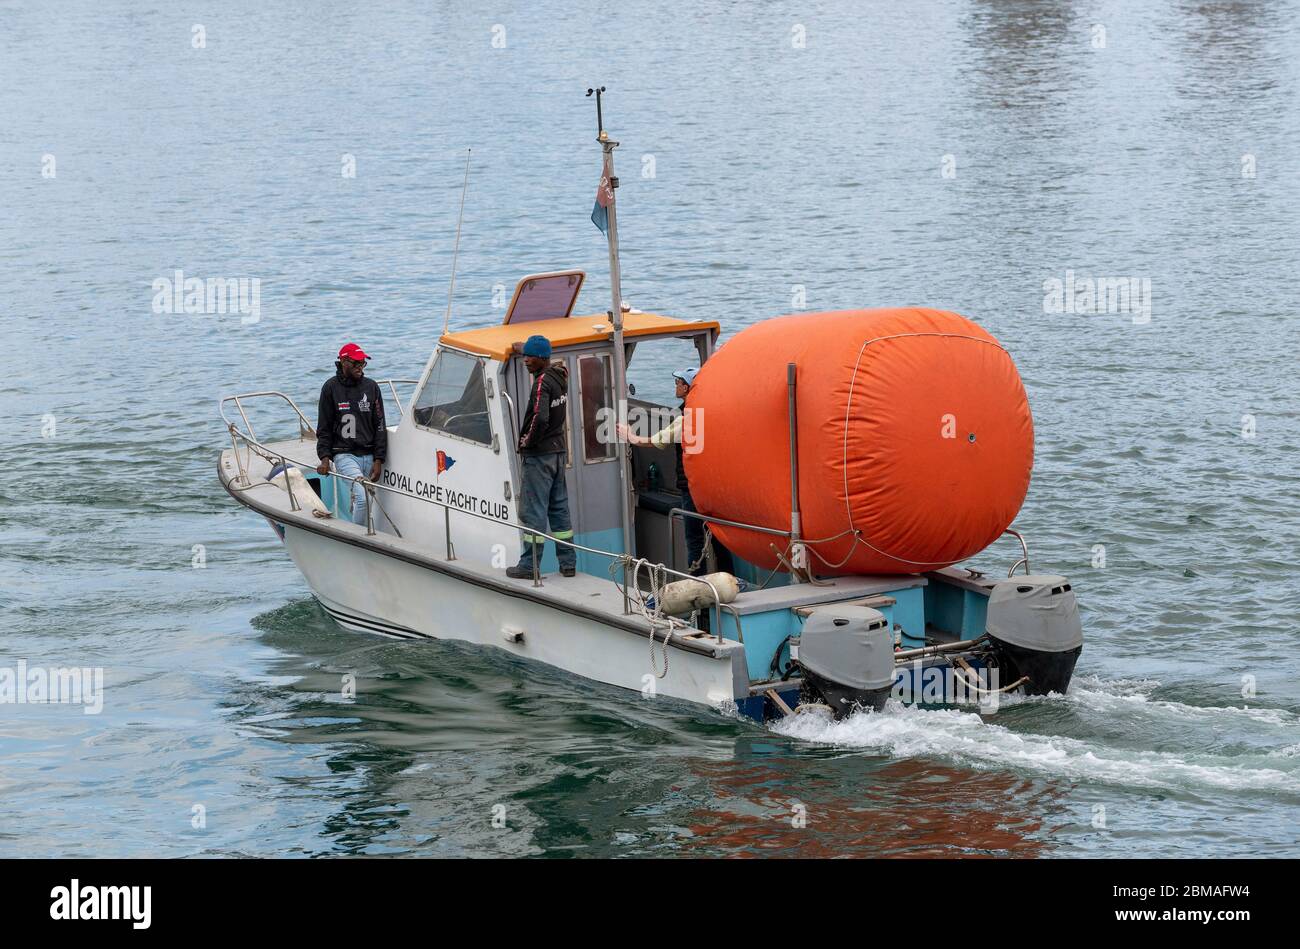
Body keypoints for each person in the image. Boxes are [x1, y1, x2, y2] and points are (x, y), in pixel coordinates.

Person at [618, 368, 734, 576]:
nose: (676, 385)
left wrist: (631, 436)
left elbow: (658, 440)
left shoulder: (687, 417)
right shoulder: (711, 412)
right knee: (717, 536)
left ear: (687, 387)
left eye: (679, 382)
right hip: (713, 485)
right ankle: (731, 579)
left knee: (695, 539)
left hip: (692, 487)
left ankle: (700, 588)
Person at [505, 335, 577, 579]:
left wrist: (527, 441)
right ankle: (568, 563)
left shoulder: (541, 384)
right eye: (524, 356)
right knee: (559, 509)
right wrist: (521, 347)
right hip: (557, 452)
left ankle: (529, 565)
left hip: (540, 455)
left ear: (542, 359)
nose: (525, 360)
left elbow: (540, 417)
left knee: (532, 511)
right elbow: (538, 361)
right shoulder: (560, 377)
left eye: (529, 357)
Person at [315, 342, 387, 526]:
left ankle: (362, 531)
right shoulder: (330, 388)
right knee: (362, 498)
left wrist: (379, 459)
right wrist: (325, 458)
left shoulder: (371, 387)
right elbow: (324, 427)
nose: (360, 368)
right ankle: (358, 538)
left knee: (366, 499)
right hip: (345, 455)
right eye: (355, 363)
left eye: (362, 363)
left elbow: (379, 424)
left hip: (369, 455)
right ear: (343, 361)